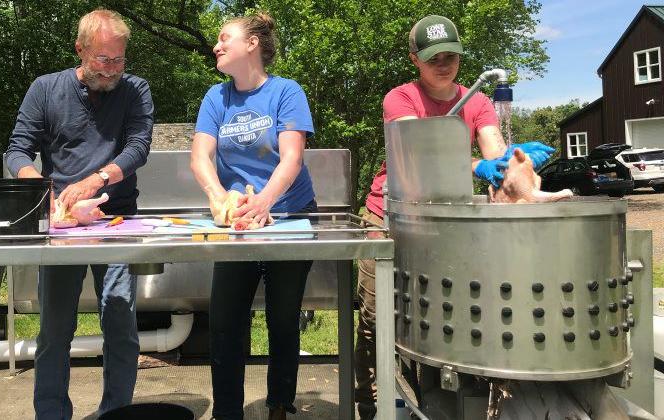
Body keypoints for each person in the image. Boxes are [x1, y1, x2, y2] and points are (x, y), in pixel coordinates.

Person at [354, 15, 553, 419]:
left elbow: (494, 150)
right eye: (433, 57)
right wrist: (478, 167)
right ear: (415, 59)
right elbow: (423, 156)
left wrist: (515, 164)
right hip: (388, 214)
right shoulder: (401, 98)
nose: (443, 64)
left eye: (451, 56)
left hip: (445, 220)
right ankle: (369, 397)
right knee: (377, 317)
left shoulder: (477, 101)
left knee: (443, 310)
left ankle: (432, 393)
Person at [4, 9, 154, 419]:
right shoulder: (45, 88)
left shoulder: (135, 90)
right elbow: (17, 149)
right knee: (54, 330)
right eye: (103, 60)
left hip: (117, 219)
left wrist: (97, 179)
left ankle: (116, 412)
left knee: (120, 322)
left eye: (119, 60)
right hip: (61, 223)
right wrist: (44, 191)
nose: (112, 70)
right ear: (80, 49)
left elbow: (139, 147)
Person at [190, 12, 316, 420]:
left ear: (252, 44)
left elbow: (292, 157)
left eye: (225, 38)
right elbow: (200, 156)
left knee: (283, 321)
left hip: (288, 215)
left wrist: (263, 203)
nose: (216, 45)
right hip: (237, 225)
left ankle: (279, 407)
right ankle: (228, 413)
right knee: (225, 325)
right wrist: (217, 197)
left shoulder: (286, 92)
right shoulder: (216, 97)